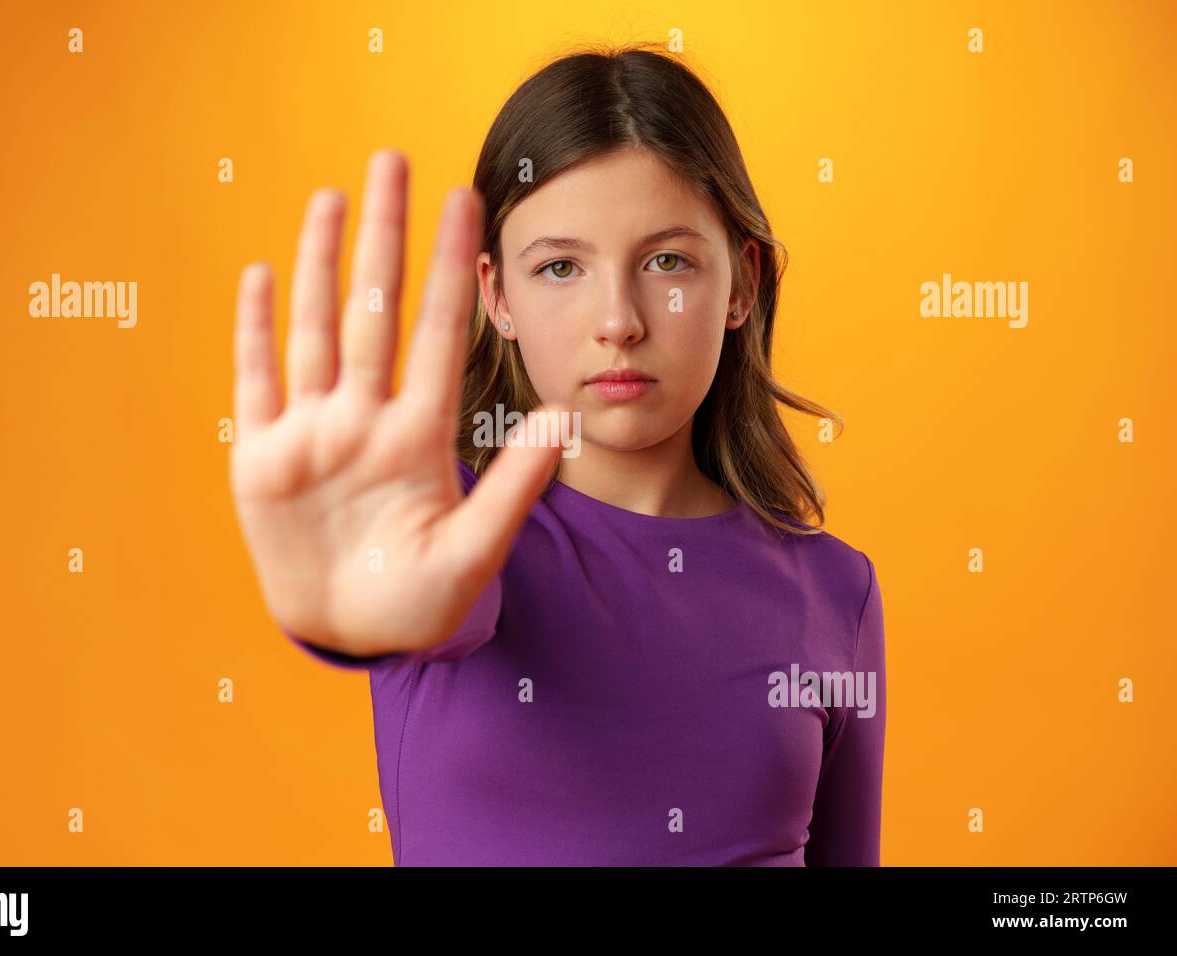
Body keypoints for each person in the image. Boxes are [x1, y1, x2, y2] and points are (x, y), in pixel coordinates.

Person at [229, 42, 886, 866]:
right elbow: (426, 595)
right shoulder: (454, 536)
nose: (618, 319)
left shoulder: (836, 589)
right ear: (496, 296)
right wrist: (360, 597)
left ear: (742, 284)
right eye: (561, 267)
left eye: (667, 261)